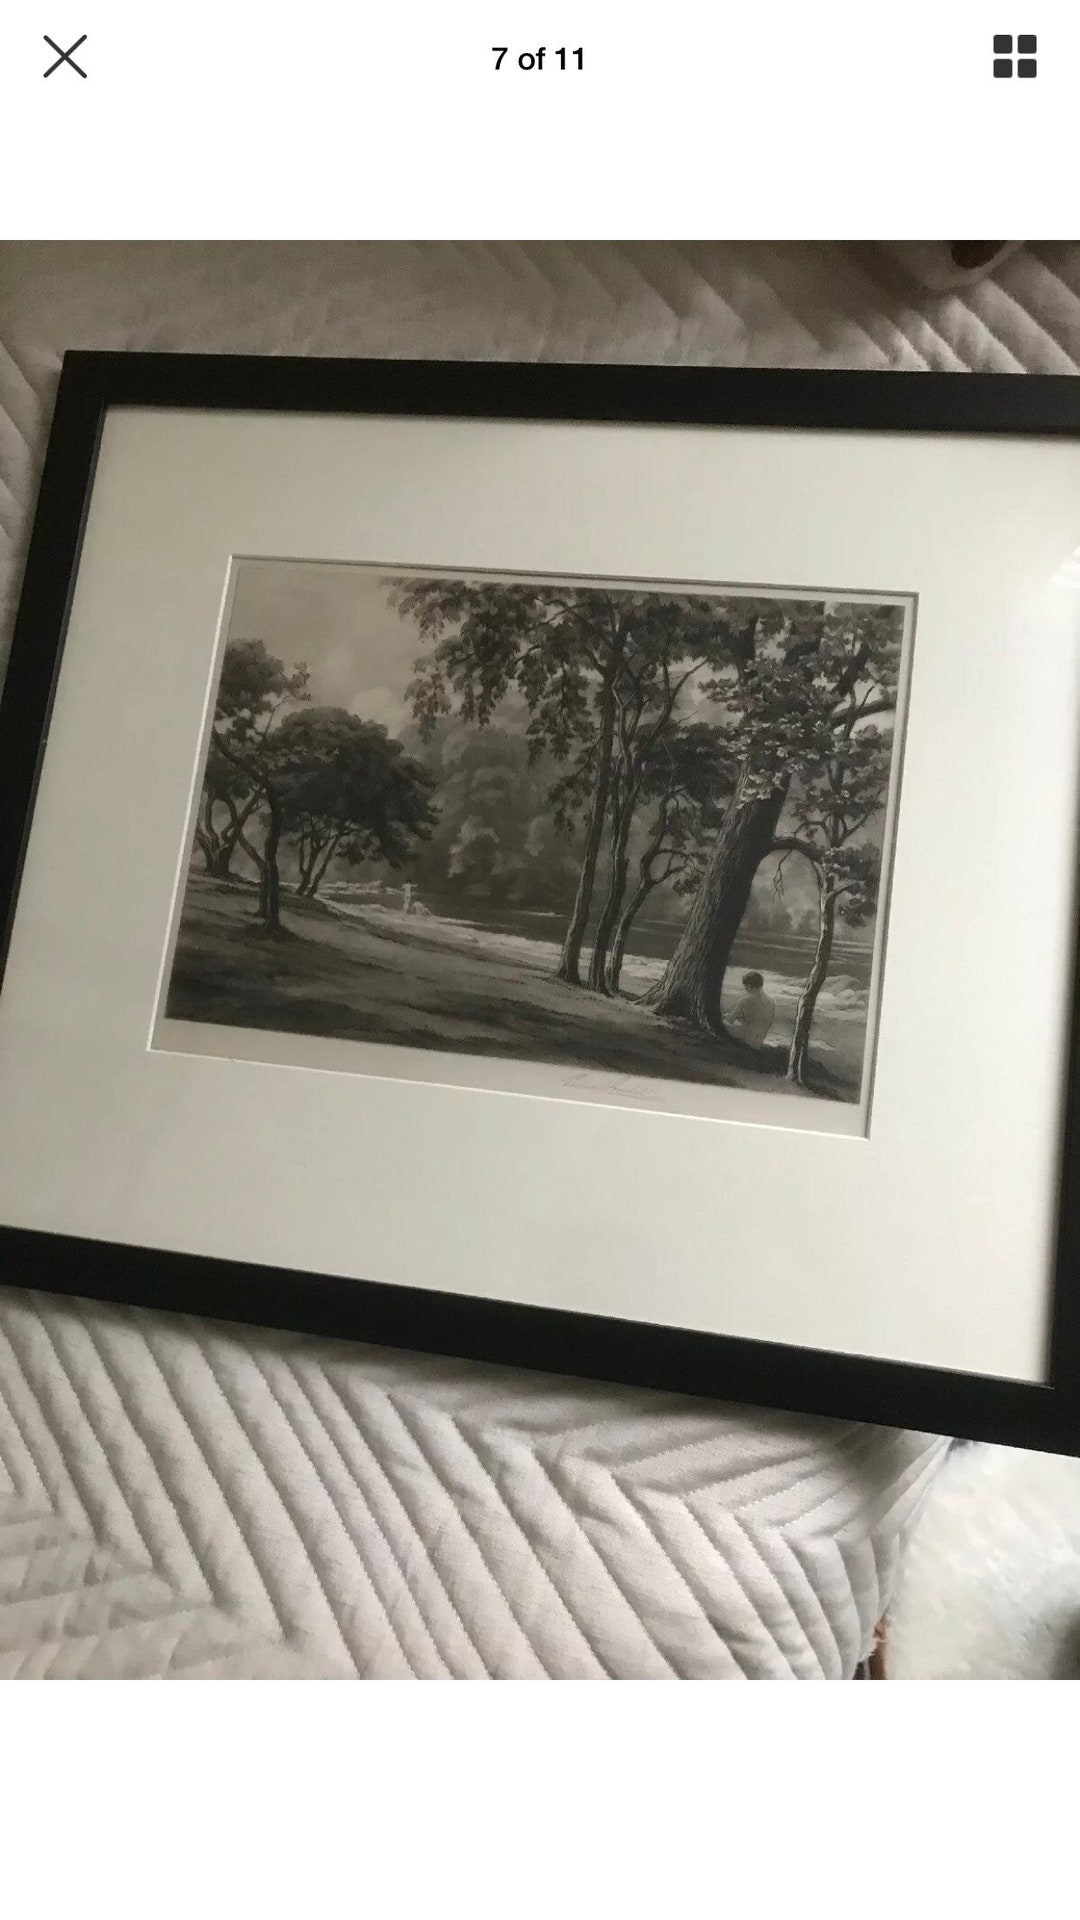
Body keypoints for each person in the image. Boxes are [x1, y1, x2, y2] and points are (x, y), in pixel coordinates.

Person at [728, 970, 775, 1048]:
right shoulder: (771, 1001)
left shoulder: (744, 1000)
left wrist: (738, 1020)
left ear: (749, 985)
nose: (745, 989)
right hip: (758, 1042)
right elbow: (758, 1019)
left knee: (723, 1022)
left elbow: (730, 1019)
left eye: (745, 986)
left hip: (746, 1039)